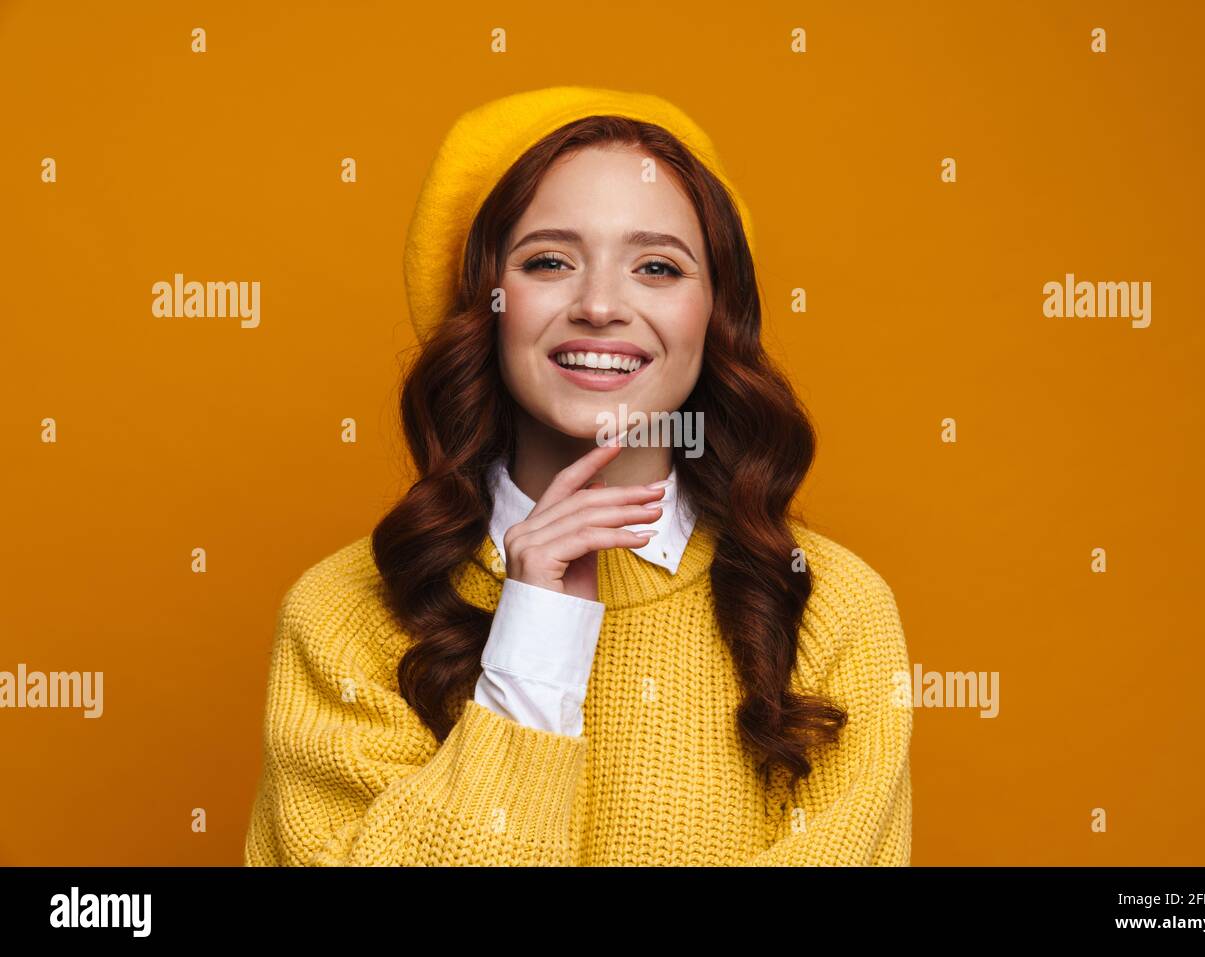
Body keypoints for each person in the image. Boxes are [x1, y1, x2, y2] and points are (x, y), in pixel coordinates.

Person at [242, 85, 912, 866]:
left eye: (657, 266)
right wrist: (534, 642)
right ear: (485, 302)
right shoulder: (342, 614)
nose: (600, 305)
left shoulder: (828, 608)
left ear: (714, 312)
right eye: (549, 261)